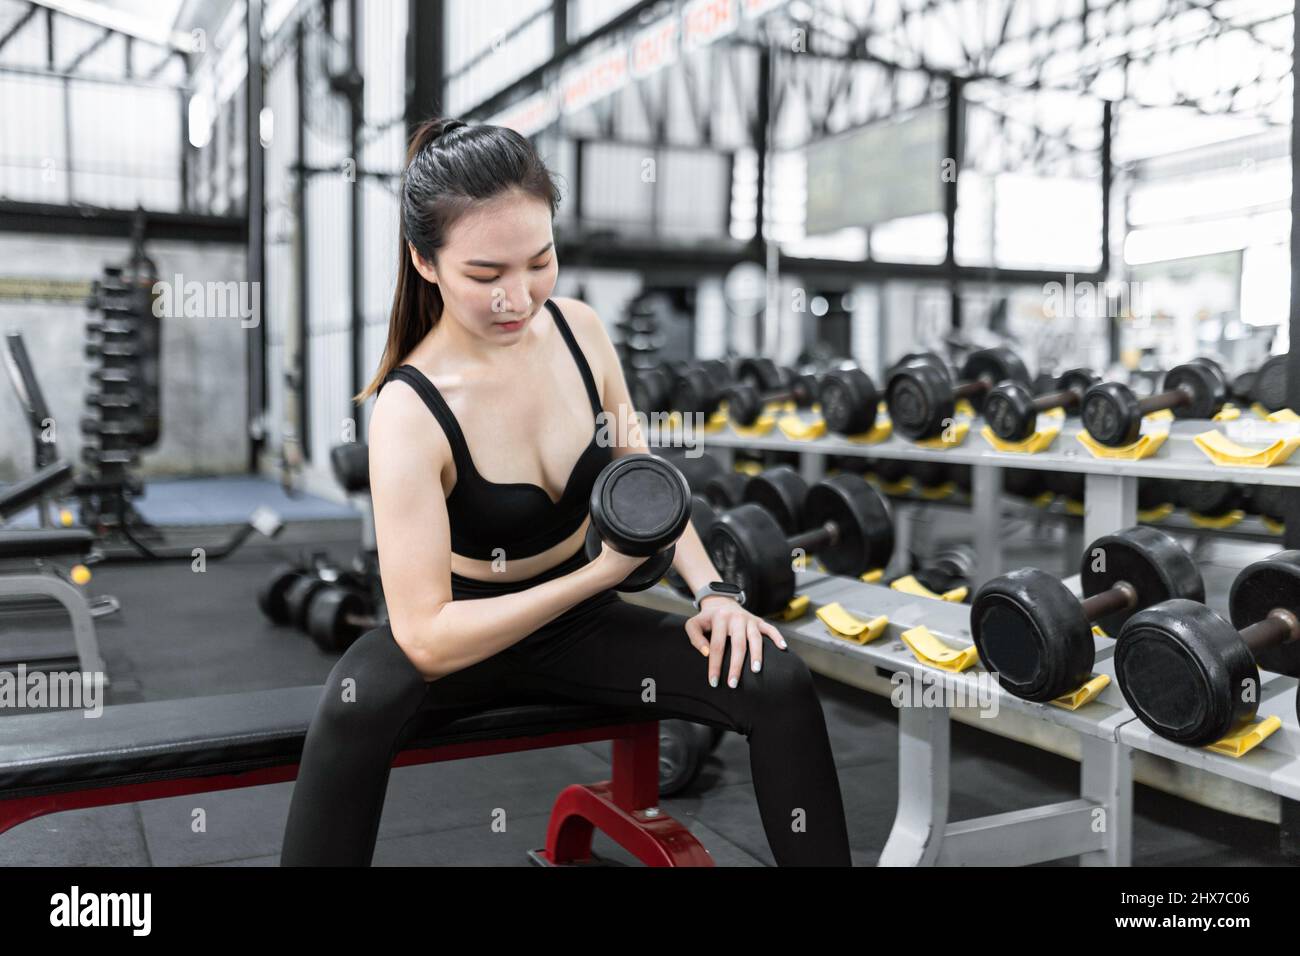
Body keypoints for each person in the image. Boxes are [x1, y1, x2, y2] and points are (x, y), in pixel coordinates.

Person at [279, 118, 852, 867]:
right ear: (425, 261)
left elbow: (644, 478)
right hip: (460, 641)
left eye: (539, 260)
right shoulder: (408, 409)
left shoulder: (580, 332)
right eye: (486, 275)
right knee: (350, 710)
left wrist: (714, 592)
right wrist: (601, 574)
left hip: (580, 627)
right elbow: (425, 635)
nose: (519, 297)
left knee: (774, 677)